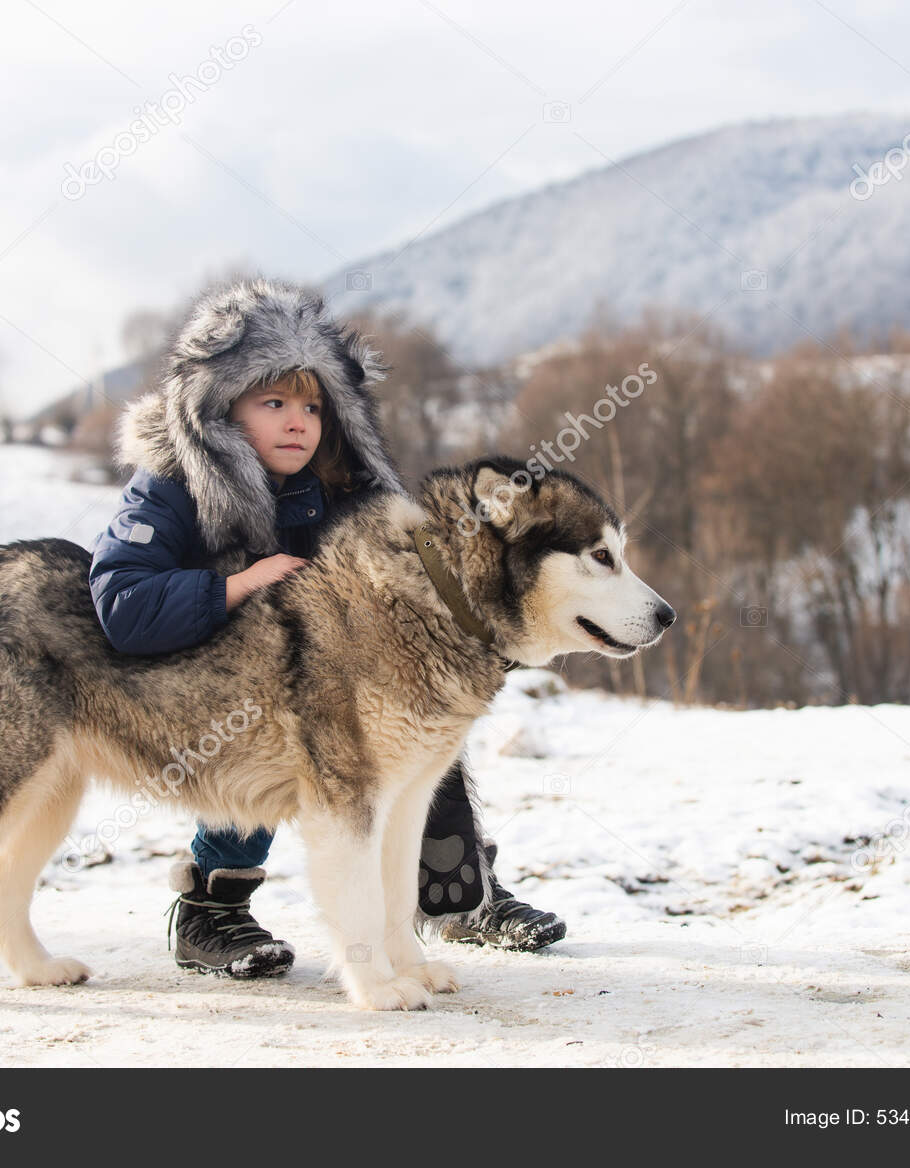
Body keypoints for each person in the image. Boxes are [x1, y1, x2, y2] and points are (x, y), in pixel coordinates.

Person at [88, 278, 566, 978]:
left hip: (334, 668)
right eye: (272, 401)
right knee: (270, 724)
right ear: (218, 406)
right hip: (204, 677)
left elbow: (428, 573)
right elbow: (122, 603)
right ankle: (213, 907)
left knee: (421, 714)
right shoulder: (170, 480)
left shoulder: (347, 484)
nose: (296, 421)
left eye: (312, 405)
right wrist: (236, 585)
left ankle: (461, 893)